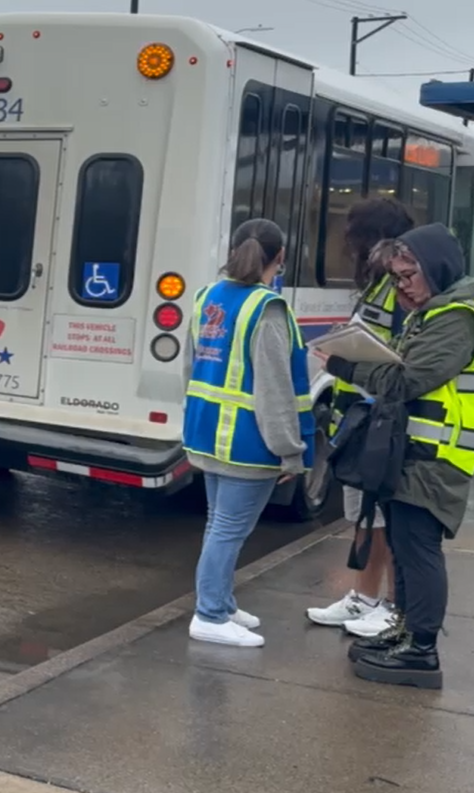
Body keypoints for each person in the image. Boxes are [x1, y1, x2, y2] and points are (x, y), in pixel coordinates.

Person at [323, 223, 474, 689]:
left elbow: (407, 380)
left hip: (435, 456)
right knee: (406, 551)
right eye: (396, 277)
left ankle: (421, 649)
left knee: (418, 549)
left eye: (409, 276)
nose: (402, 286)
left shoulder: (456, 317)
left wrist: (345, 364)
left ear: (436, 268)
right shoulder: (433, 312)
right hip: (413, 453)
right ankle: (407, 632)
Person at [183, 218, 316, 648]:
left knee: (218, 524)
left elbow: (191, 367)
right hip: (248, 441)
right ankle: (209, 615)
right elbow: (276, 389)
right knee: (227, 529)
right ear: (280, 257)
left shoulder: (207, 296)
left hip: (207, 433)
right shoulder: (268, 308)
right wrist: (292, 452)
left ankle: (218, 602)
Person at [306, 198, 415, 635]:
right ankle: (364, 597)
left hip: (379, 418)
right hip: (359, 417)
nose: (348, 244)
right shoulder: (378, 286)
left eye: (354, 234)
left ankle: (387, 603)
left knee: (383, 519)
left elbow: (399, 354)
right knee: (364, 517)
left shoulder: (396, 288)